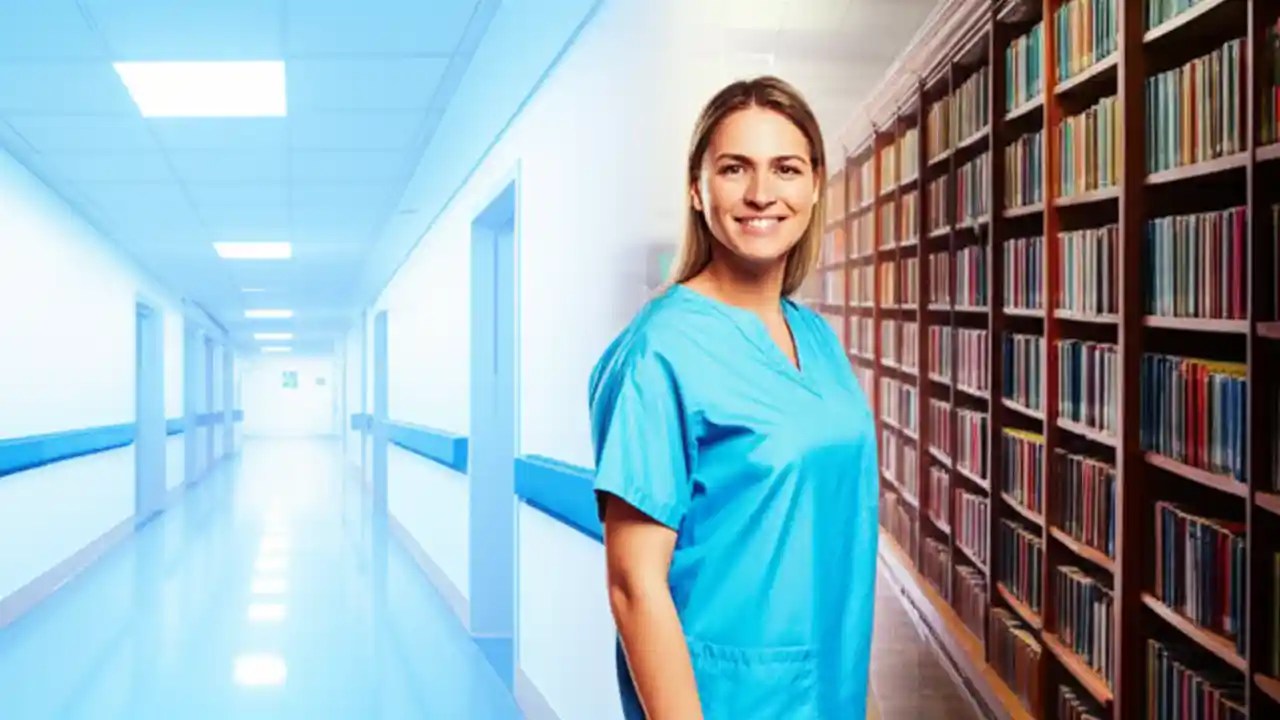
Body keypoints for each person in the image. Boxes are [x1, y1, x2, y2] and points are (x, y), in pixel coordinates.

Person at [586, 75, 880, 720]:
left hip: (829, 692)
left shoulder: (817, 337)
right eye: (734, 168)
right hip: (725, 701)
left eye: (787, 169)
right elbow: (634, 586)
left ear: (814, 188)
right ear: (698, 189)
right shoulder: (659, 352)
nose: (761, 194)